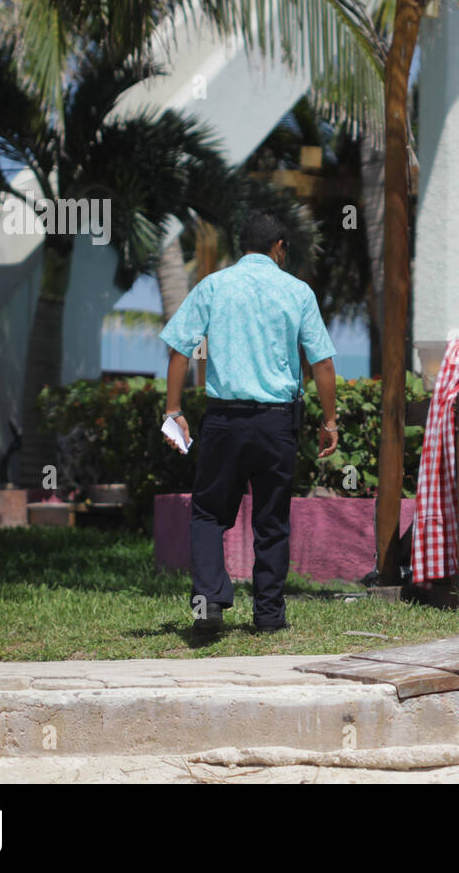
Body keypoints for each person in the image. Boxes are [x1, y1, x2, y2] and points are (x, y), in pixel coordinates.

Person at [159, 210, 339, 634]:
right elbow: (323, 363)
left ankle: (209, 605)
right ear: (279, 247)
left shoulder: (214, 285)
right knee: (271, 520)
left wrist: (174, 412)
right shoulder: (297, 291)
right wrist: (329, 421)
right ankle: (270, 616)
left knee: (207, 513)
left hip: (224, 420)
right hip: (278, 423)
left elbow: (180, 351)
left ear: (244, 246)